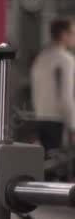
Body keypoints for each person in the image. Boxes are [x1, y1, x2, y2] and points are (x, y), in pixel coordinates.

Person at [31, 18, 75, 151]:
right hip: (57, 121)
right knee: (58, 167)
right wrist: (73, 126)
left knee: (45, 163)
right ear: (63, 34)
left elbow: (36, 90)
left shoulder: (41, 57)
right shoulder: (66, 60)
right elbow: (66, 97)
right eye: (72, 33)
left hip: (40, 118)